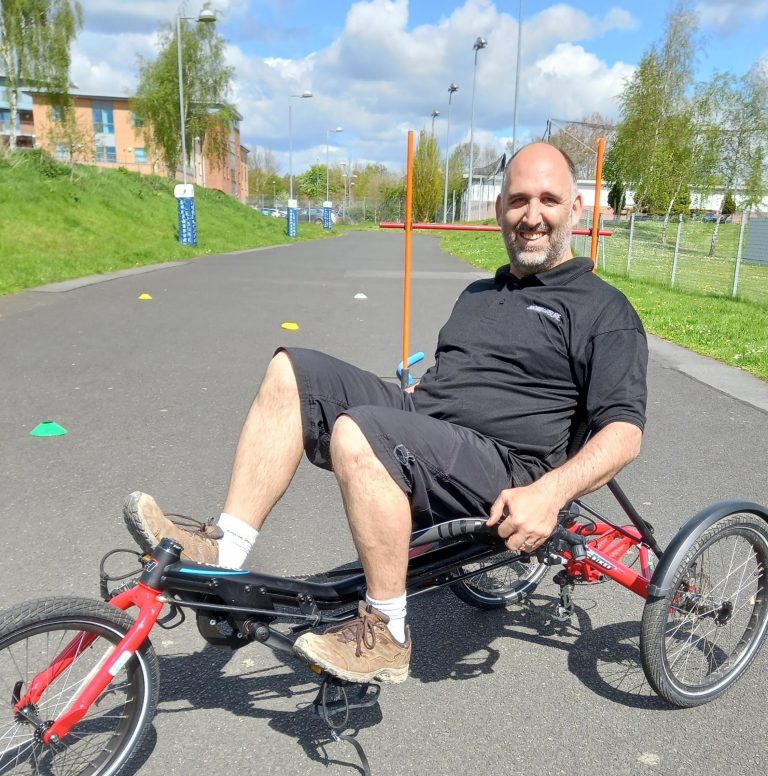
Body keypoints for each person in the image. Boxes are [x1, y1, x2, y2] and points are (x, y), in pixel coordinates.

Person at [124, 142, 648, 686]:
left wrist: (551, 494)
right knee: (292, 371)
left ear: (576, 210)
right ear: (499, 209)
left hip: (506, 469)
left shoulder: (603, 310)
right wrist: (409, 395)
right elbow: (459, 379)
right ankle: (223, 549)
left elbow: (624, 433)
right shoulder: (477, 293)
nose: (532, 216)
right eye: (518, 200)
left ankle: (387, 632)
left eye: (549, 200)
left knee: (362, 435)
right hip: (433, 428)